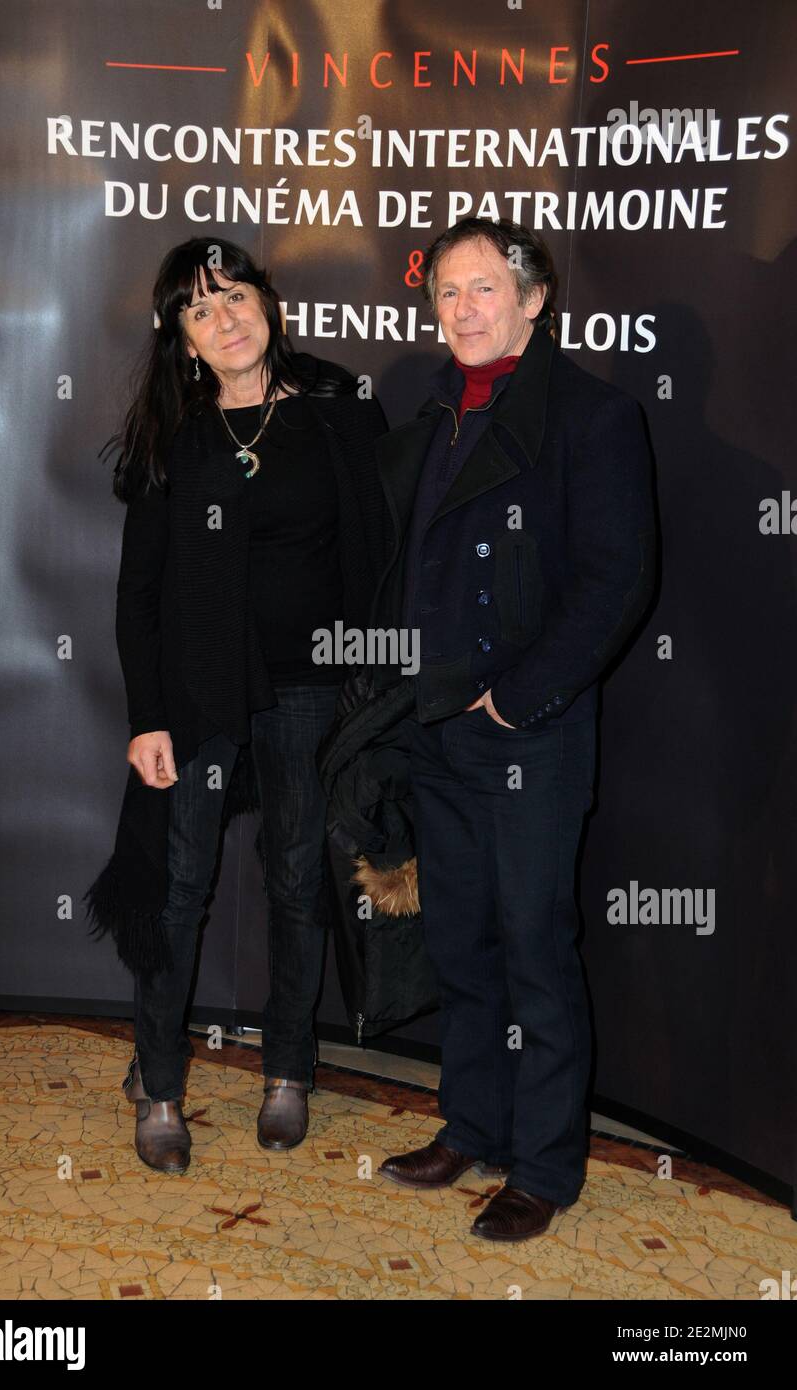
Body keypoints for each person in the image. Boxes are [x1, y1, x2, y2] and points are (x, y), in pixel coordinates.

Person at [369, 218, 657, 1241]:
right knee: (458, 940)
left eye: (482, 289)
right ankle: (470, 1123)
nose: (461, 310)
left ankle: (541, 1166)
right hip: (436, 726)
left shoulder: (591, 415)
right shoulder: (433, 412)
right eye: (445, 292)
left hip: (525, 731)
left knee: (534, 946)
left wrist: (517, 695)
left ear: (531, 299)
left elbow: (613, 579)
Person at [84, 236, 389, 1173]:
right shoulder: (174, 436)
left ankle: (288, 1071)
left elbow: (375, 562)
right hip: (195, 695)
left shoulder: (337, 412)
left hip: (309, 688)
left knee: (298, 881)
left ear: (269, 302)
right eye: (199, 309)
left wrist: (372, 690)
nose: (225, 320)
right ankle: (162, 1082)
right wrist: (146, 717)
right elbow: (139, 594)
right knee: (179, 889)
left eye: (236, 297)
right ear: (181, 339)